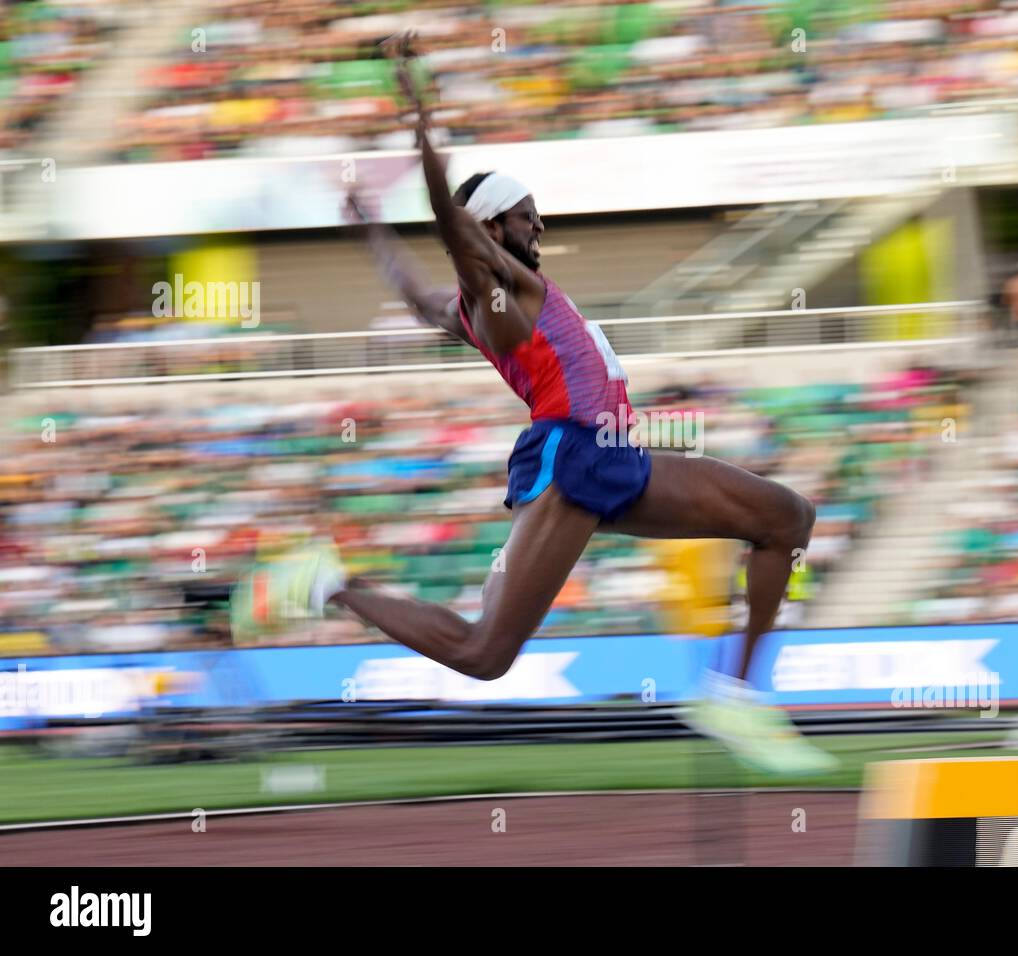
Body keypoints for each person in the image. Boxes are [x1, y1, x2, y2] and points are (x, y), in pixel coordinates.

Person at [233, 33, 834, 775]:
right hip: (575, 457)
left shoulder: (474, 304)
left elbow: (418, 298)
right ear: (490, 231)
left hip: (615, 455)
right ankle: (330, 582)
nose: (539, 226)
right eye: (526, 216)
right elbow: (448, 227)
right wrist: (423, 125)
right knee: (486, 653)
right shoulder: (499, 288)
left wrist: (368, 228)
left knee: (787, 518)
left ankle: (734, 696)